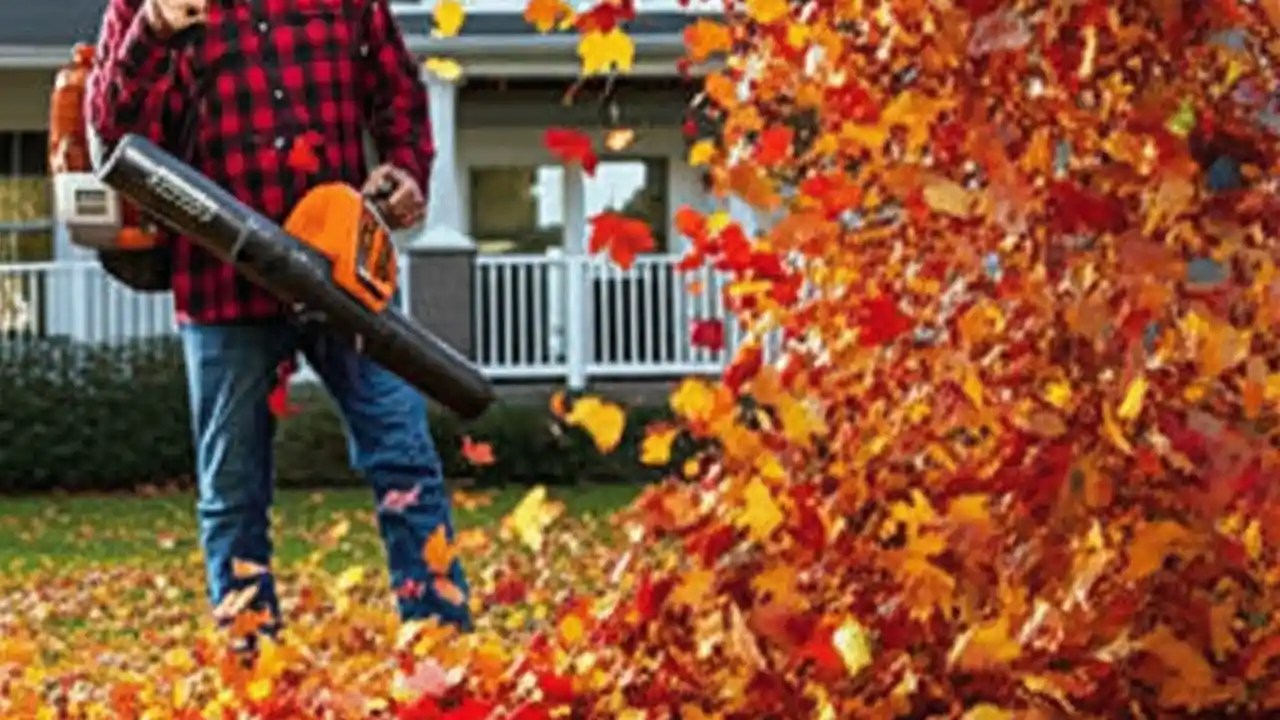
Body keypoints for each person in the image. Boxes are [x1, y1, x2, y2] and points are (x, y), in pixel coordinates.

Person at [85, 0, 472, 650]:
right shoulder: (147, 7)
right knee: (232, 489)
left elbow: (398, 92)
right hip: (222, 279)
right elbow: (114, 131)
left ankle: (444, 652)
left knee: (405, 457)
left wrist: (405, 171)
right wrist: (152, 31)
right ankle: (251, 662)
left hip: (342, 269)